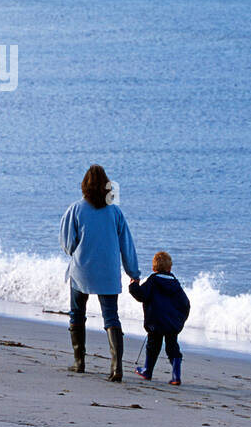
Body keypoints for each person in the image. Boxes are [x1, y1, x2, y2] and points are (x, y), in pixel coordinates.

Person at [59, 164, 140, 381]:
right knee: (111, 317)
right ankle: (116, 368)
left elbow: (68, 244)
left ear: (84, 186)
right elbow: (127, 244)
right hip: (108, 273)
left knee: (77, 314)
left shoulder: (75, 209)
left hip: (82, 271)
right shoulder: (115, 211)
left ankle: (79, 362)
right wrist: (134, 271)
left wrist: (79, 251)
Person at [128, 251, 190, 385]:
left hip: (155, 323)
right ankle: (176, 376)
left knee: (153, 346)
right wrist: (179, 321)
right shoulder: (175, 284)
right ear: (170, 268)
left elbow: (141, 295)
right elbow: (185, 304)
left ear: (153, 268)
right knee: (172, 348)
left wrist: (133, 284)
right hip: (171, 324)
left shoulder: (153, 280)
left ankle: (147, 371)